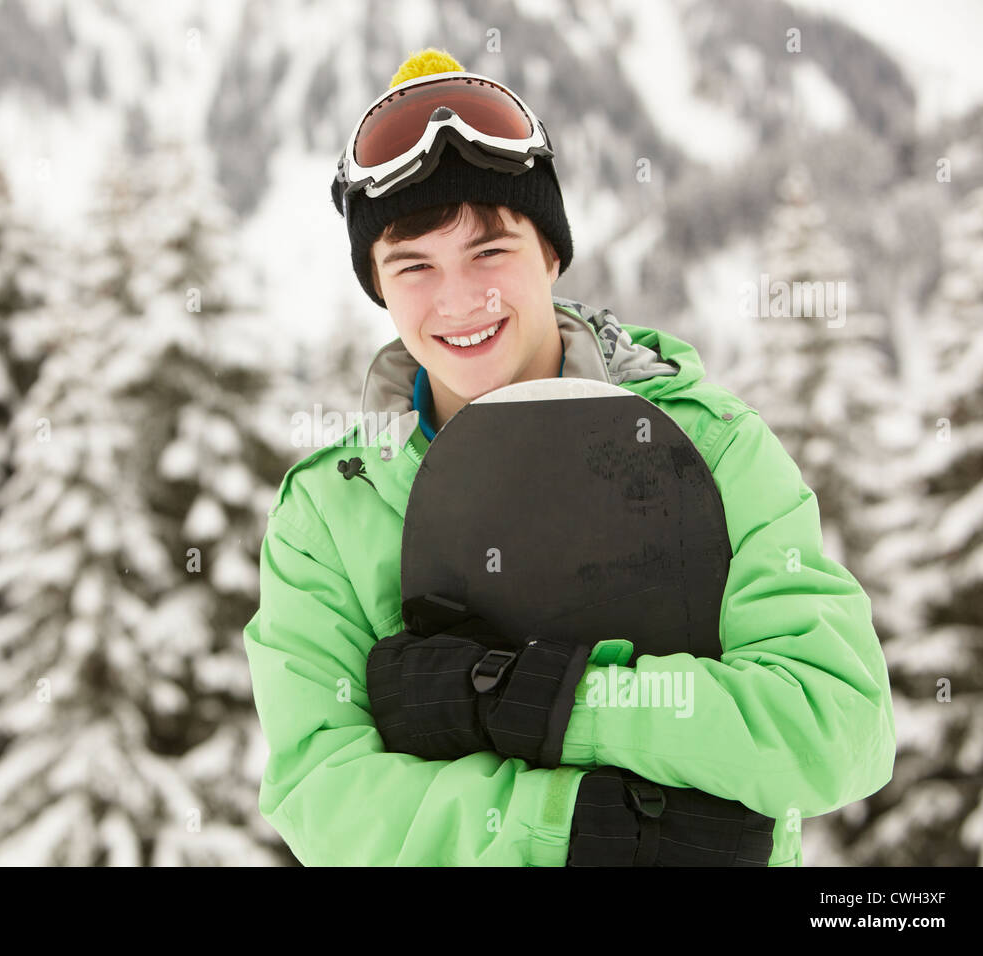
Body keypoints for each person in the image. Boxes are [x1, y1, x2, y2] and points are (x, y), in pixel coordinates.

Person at [241, 48, 895, 866]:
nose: (459, 300)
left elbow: (836, 728)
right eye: (413, 266)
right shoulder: (331, 512)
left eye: (491, 251)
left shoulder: (710, 445)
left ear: (550, 252)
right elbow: (326, 799)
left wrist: (531, 702)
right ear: (378, 286)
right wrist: (592, 825)